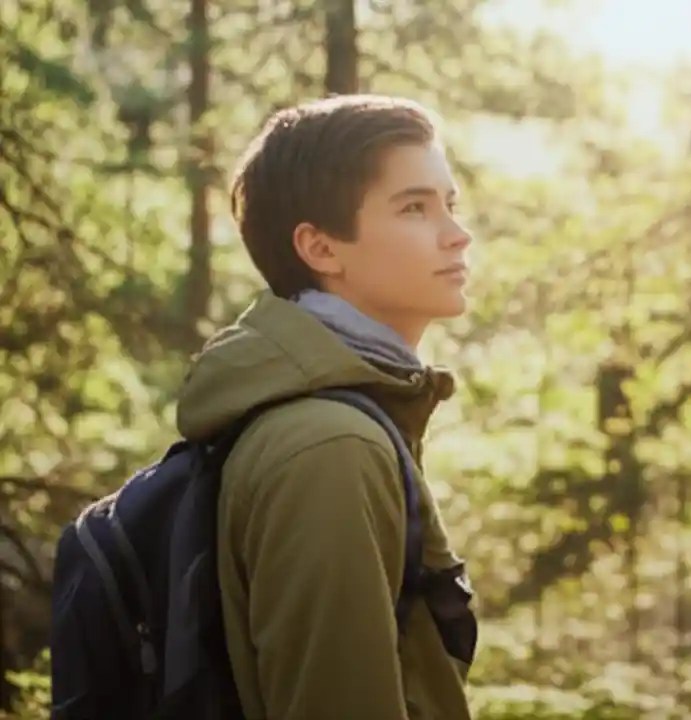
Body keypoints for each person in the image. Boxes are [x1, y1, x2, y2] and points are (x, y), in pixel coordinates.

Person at [174, 94, 476, 720]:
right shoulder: (329, 448)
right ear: (320, 248)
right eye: (414, 208)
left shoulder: (336, 416)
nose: (457, 234)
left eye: (449, 204)